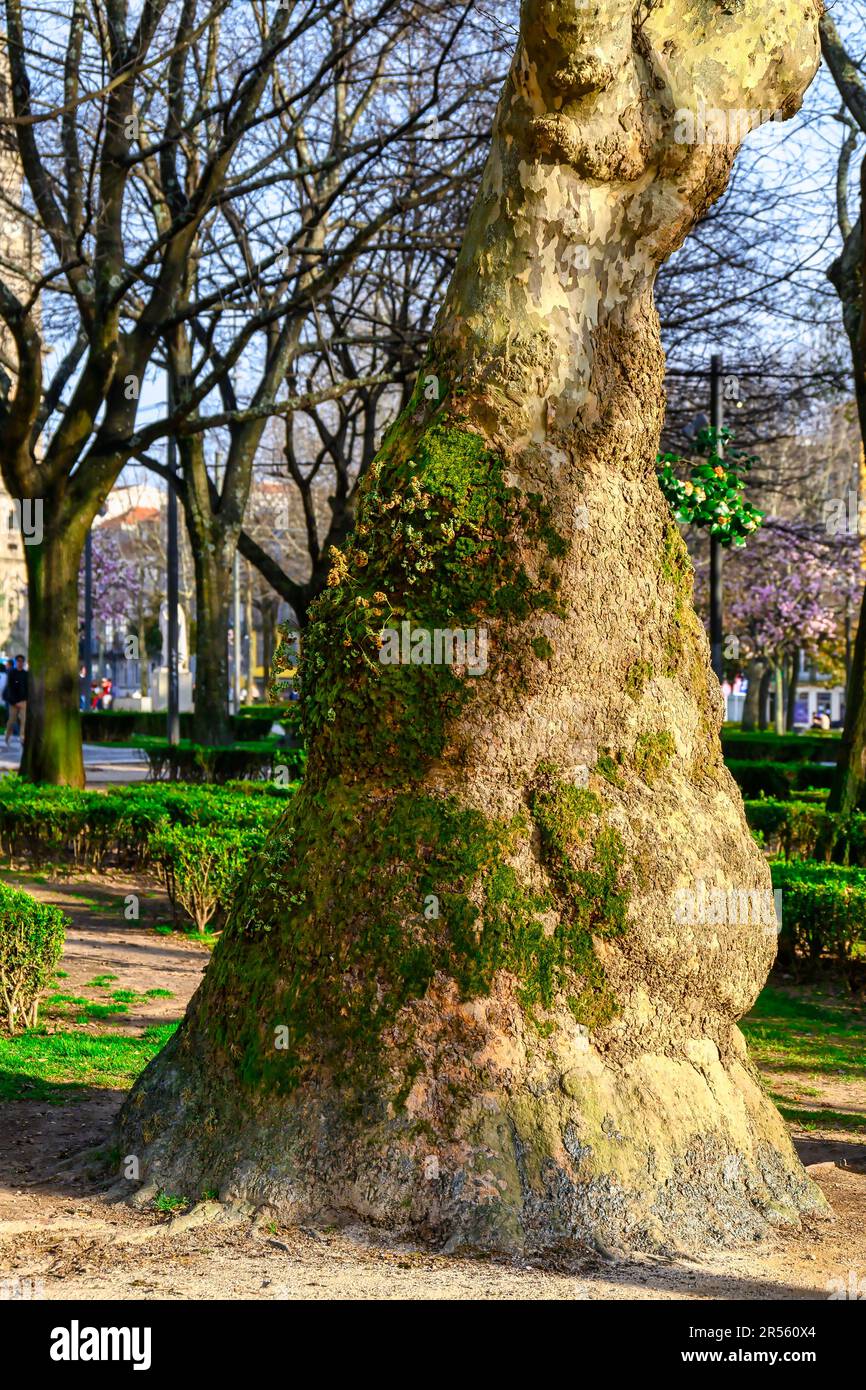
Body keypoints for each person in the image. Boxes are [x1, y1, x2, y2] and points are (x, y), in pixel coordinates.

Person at [5, 654, 28, 745]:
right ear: (16, 662)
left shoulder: (26, 674)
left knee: (23, 721)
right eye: (18, 661)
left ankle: (22, 738)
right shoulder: (12, 673)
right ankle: (7, 736)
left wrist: (26, 699)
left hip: (23, 701)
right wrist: (14, 702)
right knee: (11, 720)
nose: (20, 663)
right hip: (13, 702)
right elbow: (9, 688)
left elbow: (27, 688)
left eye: (22, 661)